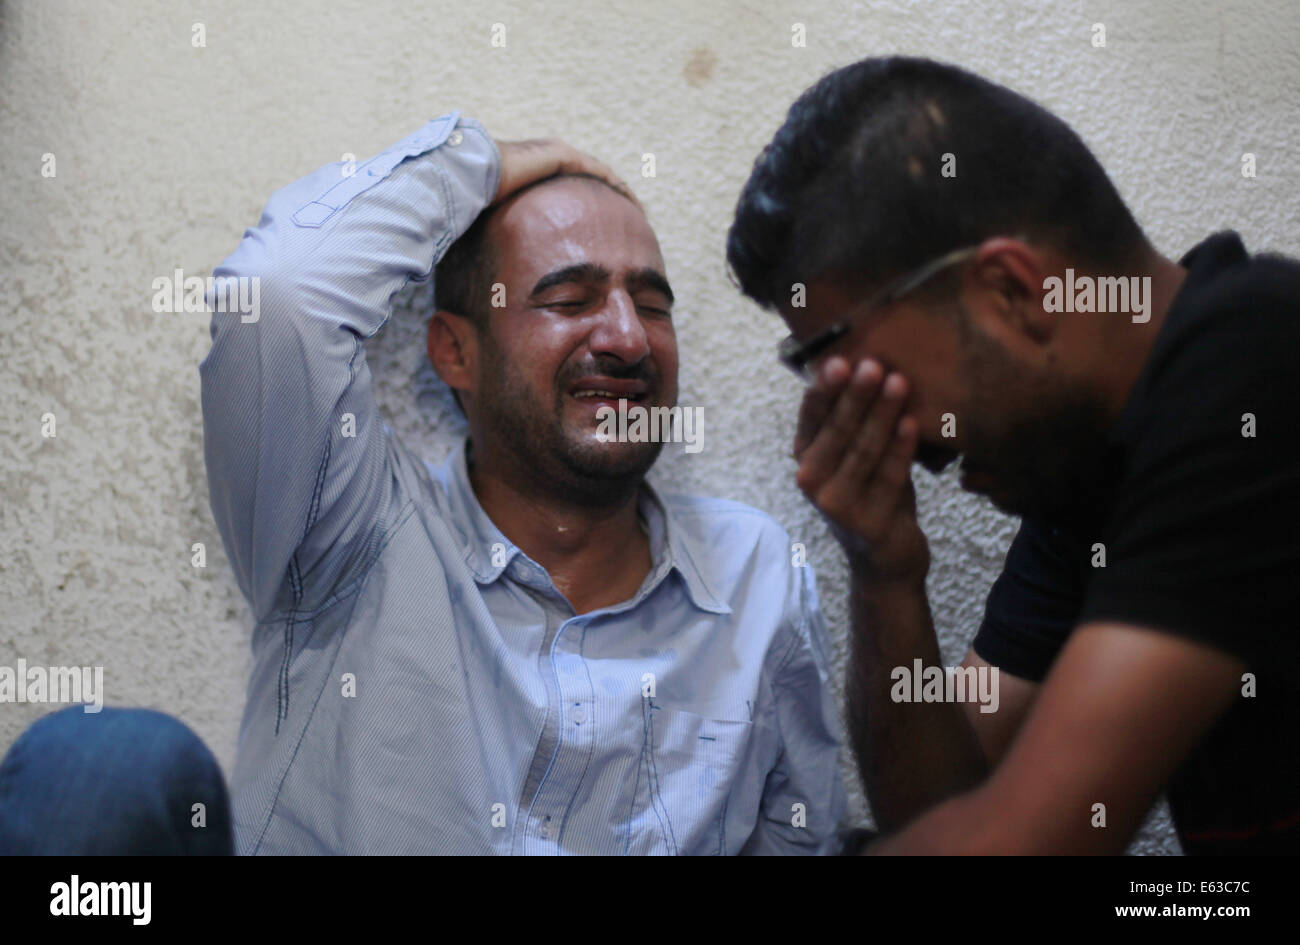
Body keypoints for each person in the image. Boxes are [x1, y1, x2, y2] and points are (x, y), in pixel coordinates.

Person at [195, 113, 848, 854]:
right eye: (571, 300)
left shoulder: (755, 575)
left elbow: (802, 840)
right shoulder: (348, 533)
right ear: (454, 352)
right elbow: (277, 295)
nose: (628, 338)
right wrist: (491, 161)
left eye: (654, 305)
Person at [726, 56, 1300, 854]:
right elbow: (947, 810)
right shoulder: (1090, 473)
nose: (908, 447)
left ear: (1013, 295)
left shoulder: (1256, 358)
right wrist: (884, 569)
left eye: (860, 365)